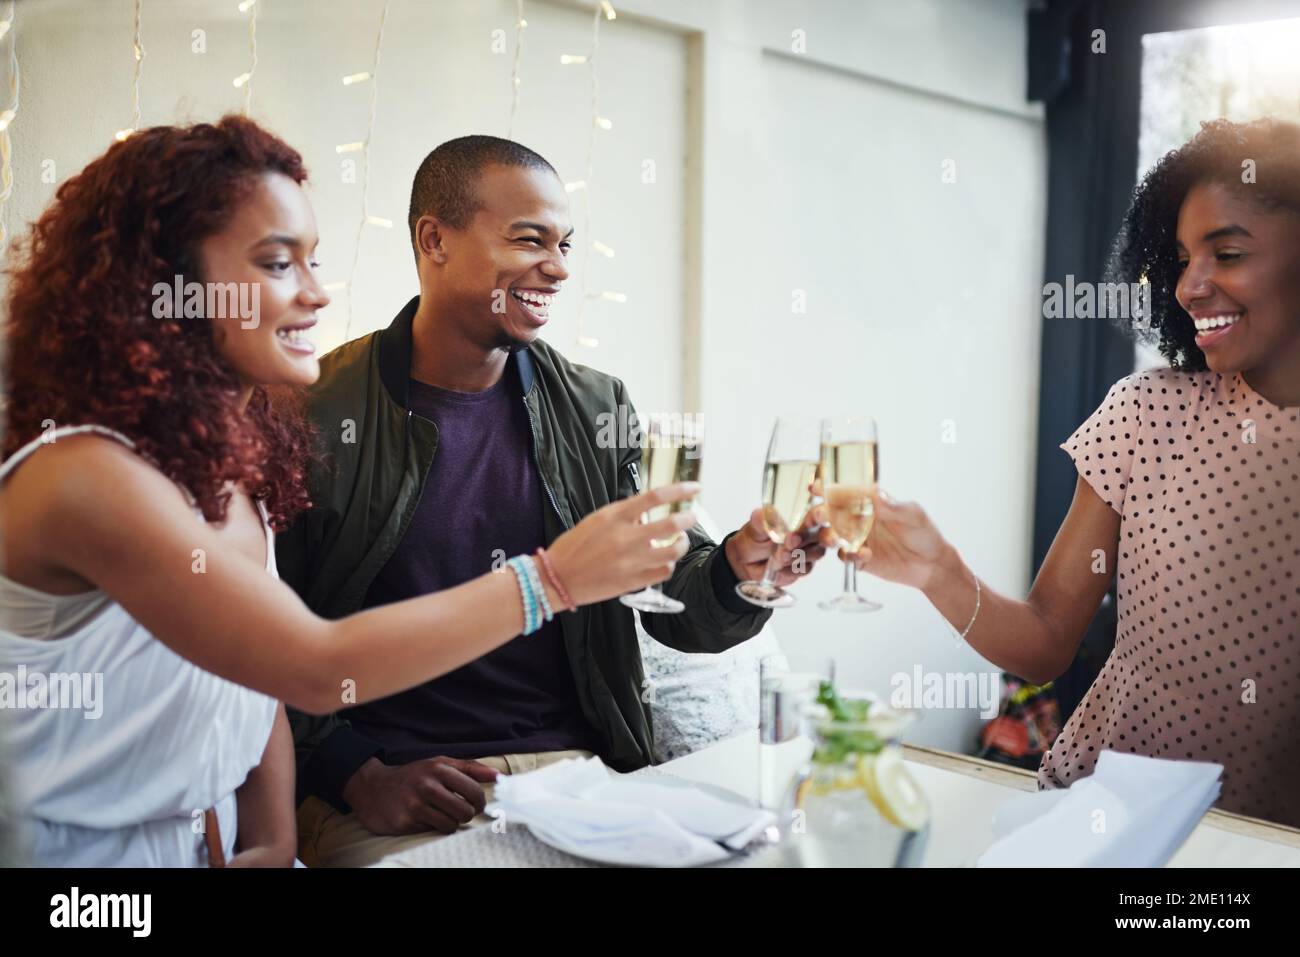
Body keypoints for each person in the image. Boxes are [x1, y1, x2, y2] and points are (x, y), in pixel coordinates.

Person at [0, 116, 697, 866]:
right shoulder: (86, 476)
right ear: (170, 288)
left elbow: (255, 675)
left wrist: (272, 839)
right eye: (276, 264)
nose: (316, 295)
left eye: (312, 261)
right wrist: (553, 579)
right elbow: (312, 665)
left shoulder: (231, 470)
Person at [279, 135, 829, 867]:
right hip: (401, 792)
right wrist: (353, 769)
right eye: (529, 239)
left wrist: (735, 568)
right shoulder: (314, 410)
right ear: (433, 239)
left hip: (583, 780)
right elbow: (260, 640)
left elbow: (673, 601)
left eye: (566, 243)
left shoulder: (596, 405)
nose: (560, 267)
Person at [836, 118, 1300, 828]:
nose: (1190, 287)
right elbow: (1047, 640)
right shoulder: (1147, 414)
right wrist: (939, 570)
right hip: (1095, 824)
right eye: (1179, 258)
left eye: (1228, 253)